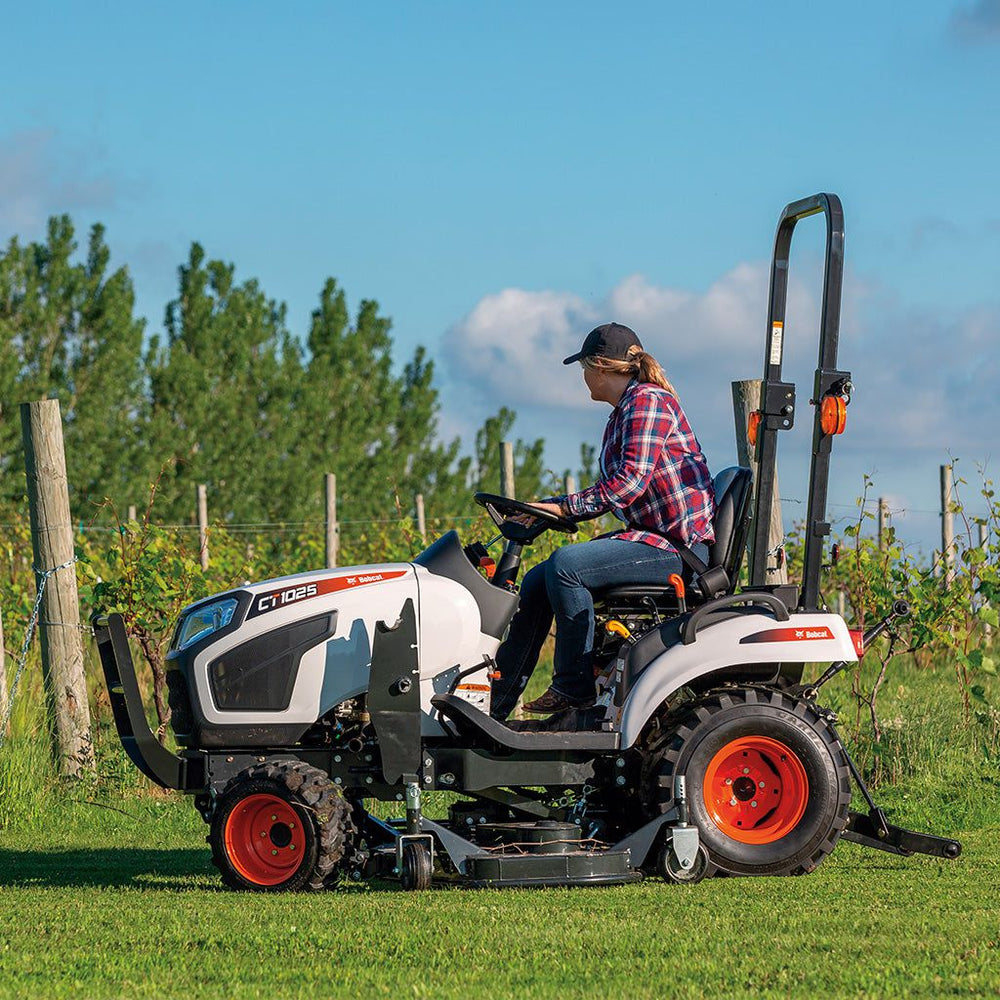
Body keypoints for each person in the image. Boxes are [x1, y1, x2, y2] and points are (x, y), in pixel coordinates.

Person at [490, 322, 715, 721]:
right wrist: (548, 507)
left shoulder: (647, 402)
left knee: (567, 567)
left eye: (583, 369)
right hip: (650, 542)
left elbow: (627, 485)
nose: (583, 378)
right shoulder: (624, 411)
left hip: (677, 550)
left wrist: (564, 509)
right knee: (538, 579)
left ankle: (572, 688)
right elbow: (614, 486)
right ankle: (494, 704)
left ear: (600, 366)